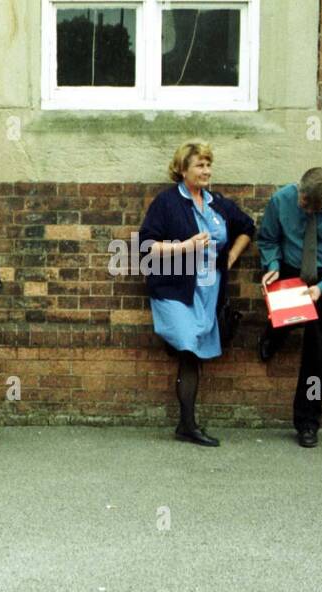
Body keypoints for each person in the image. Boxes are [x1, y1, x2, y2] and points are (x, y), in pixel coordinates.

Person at [139, 141, 254, 447]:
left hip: (208, 291)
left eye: (208, 164)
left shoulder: (217, 203)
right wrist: (185, 247)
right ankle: (188, 424)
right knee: (188, 350)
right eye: (200, 165)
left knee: (194, 353)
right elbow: (145, 247)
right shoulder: (166, 203)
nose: (207, 171)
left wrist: (230, 257)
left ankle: (185, 424)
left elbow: (247, 227)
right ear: (182, 170)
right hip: (175, 289)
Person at [256, 167, 322, 447]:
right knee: (284, 317)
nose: (305, 208)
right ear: (299, 189)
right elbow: (267, 238)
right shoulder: (282, 200)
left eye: (312, 206)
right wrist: (273, 265)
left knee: (318, 359)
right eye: (303, 202)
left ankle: (308, 420)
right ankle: (276, 330)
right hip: (290, 271)